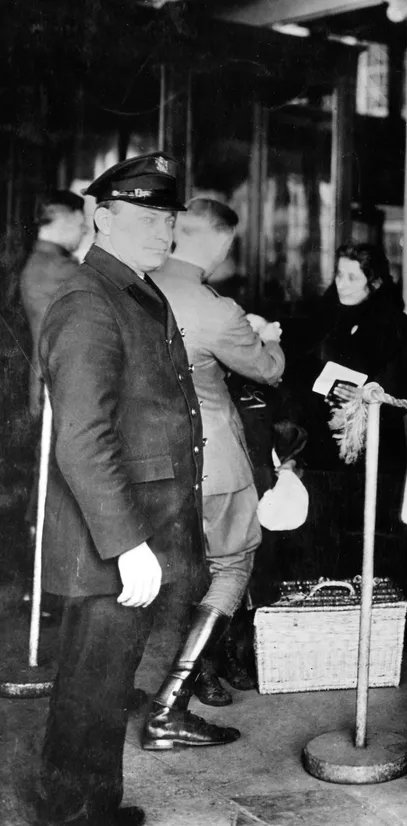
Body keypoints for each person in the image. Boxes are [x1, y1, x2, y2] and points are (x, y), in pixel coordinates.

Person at [30, 153, 203, 826]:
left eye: (169, 218)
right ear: (102, 216)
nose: (166, 231)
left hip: (130, 522)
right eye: (149, 217)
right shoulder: (88, 298)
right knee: (94, 682)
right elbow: (81, 436)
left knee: (100, 681)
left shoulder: (130, 287)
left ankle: (85, 806)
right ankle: (77, 815)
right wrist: (129, 543)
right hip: (113, 530)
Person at [149, 198, 285, 732]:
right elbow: (267, 370)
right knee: (232, 568)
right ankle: (171, 704)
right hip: (215, 462)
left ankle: (168, 692)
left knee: (177, 574)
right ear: (222, 243)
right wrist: (266, 338)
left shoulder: (138, 288)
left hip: (154, 463)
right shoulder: (216, 308)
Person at [293, 243, 407, 589]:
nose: (343, 284)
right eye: (339, 274)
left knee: (371, 529)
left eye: (353, 277)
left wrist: (369, 394)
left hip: (374, 452)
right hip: (323, 449)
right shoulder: (321, 317)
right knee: (322, 529)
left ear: (375, 283)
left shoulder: (399, 327)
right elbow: (297, 371)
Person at [19, 190, 87, 416]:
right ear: (64, 220)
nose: (85, 229)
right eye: (81, 222)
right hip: (54, 387)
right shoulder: (58, 268)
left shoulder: (42, 260)